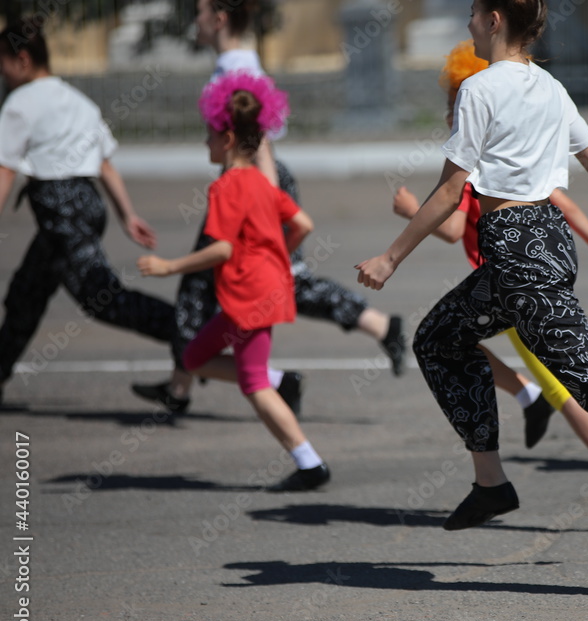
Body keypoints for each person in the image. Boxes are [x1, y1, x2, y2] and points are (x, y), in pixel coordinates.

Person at [358, 0, 588, 590]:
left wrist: (390, 256)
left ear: (492, 19)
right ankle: (491, 483)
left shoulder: (481, 90)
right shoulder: (549, 86)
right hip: (539, 244)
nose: (464, 25)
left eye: (470, 14)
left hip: (518, 253)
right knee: (438, 337)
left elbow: (450, 188)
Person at [389, 40, 588, 535]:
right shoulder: (505, 157)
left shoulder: (482, 162)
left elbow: (450, 223)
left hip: (511, 285)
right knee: (459, 342)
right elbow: (566, 204)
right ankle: (539, 416)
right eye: (451, 102)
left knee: (562, 383)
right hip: (501, 284)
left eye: (455, 101)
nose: (453, 111)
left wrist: (407, 216)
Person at [131, 0, 407, 416]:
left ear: (219, 19)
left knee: (273, 277)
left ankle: (375, 328)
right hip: (254, 184)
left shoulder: (236, 68)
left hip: (256, 184)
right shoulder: (234, 61)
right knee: (217, 283)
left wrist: (267, 202)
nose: (196, 21)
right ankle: (182, 384)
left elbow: (259, 141)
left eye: (201, 12)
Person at [138, 72, 329, 492]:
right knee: (193, 357)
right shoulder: (262, 182)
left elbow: (221, 250)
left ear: (226, 139)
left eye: (208, 135)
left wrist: (169, 266)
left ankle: (309, 463)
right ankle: (284, 383)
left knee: (252, 383)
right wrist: (275, 256)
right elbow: (303, 223)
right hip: (256, 292)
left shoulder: (226, 186)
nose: (204, 143)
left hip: (248, 295)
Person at [0, 18, 175, 407]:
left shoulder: (19, 104)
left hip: (61, 212)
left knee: (104, 299)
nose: (3, 74)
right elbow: (105, 166)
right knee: (25, 294)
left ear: (22, 59)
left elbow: (5, 171)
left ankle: (186, 327)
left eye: (4, 65)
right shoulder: (77, 100)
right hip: (84, 204)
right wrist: (127, 215)